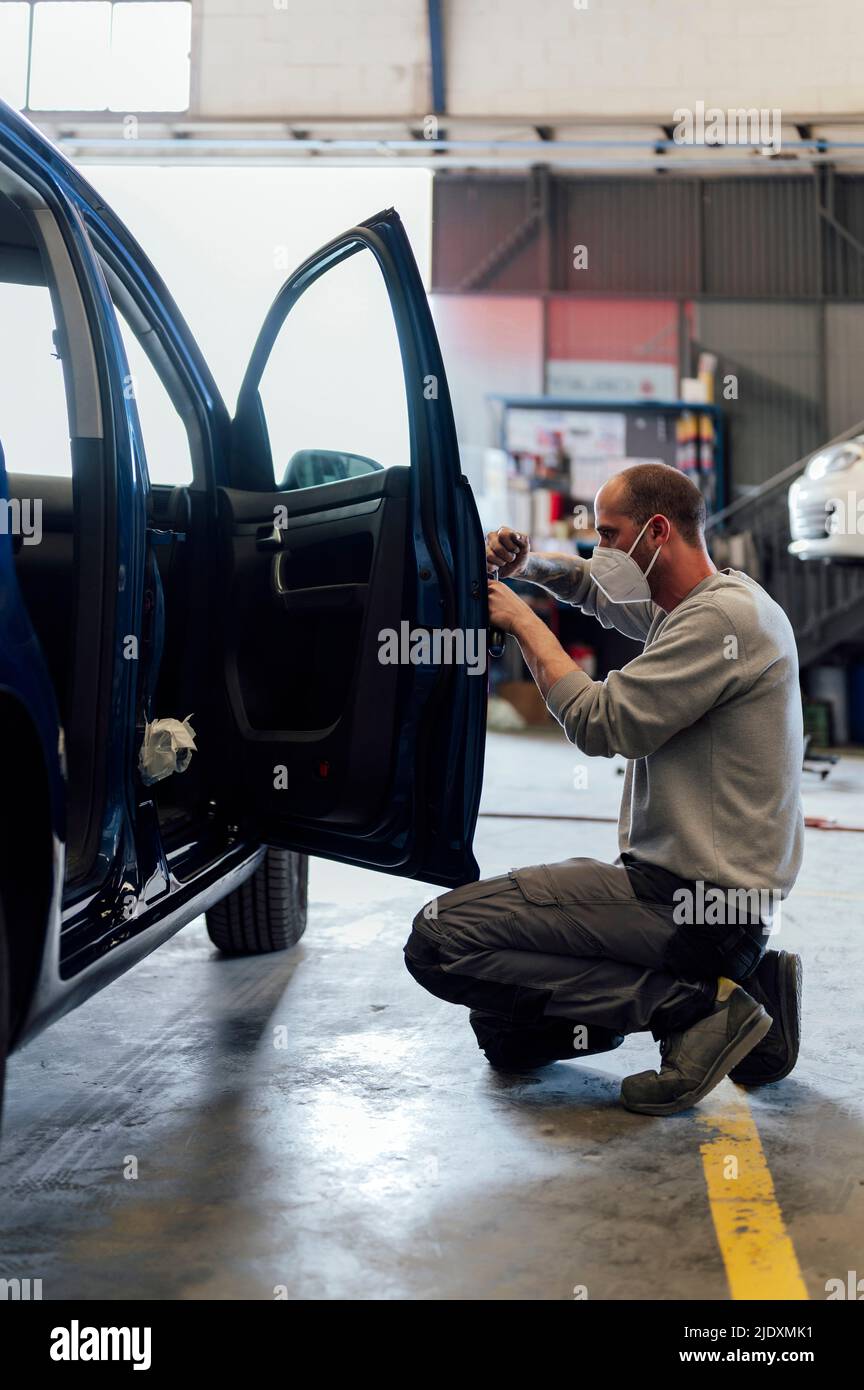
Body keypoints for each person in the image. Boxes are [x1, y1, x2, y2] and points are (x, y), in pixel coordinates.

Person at [403, 463, 804, 1115]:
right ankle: (751, 998)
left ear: (657, 531)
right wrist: (531, 565)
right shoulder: (706, 602)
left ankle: (701, 1006)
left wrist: (525, 623)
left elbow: (601, 722)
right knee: (505, 1035)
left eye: (610, 536)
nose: (602, 550)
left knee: (442, 939)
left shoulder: (721, 624)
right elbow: (595, 589)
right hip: (714, 902)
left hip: (691, 902)